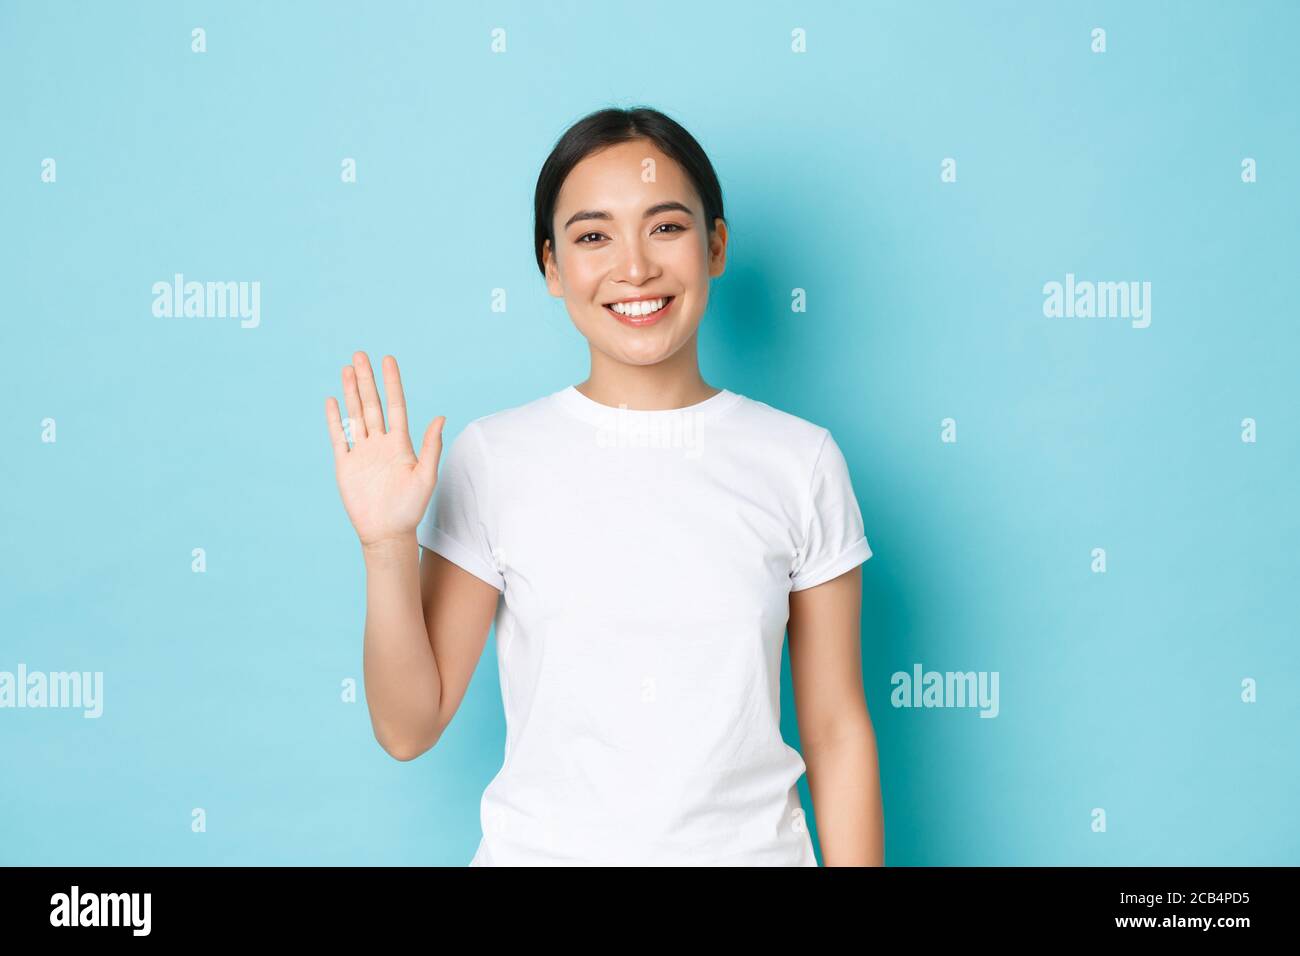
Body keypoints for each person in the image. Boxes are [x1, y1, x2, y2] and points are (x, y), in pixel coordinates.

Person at [324, 106, 884, 866]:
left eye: (666, 227)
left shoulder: (799, 460)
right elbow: (407, 727)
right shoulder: (494, 459)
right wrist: (387, 545)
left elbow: (837, 729)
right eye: (592, 236)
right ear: (552, 268)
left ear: (714, 245)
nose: (635, 267)